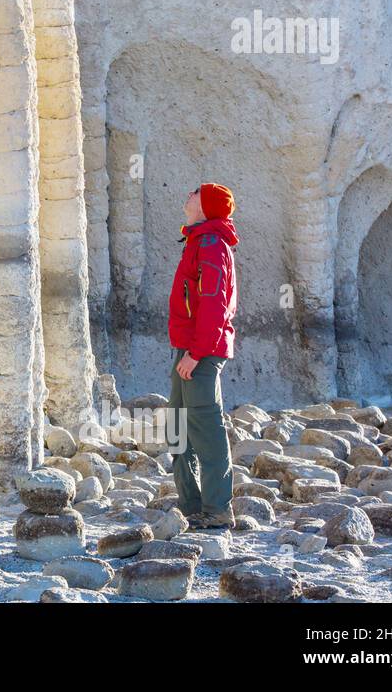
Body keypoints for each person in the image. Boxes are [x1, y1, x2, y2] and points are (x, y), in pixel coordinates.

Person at [167, 182, 239, 529]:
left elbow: (214, 305)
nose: (189, 193)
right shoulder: (199, 240)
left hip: (201, 352)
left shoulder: (211, 245)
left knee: (206, 429)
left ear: (207, 205)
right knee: (179, 426)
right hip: (189, 349)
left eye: (195, 191)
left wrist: (196, 354)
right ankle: (190, 504)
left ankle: (217, 509)